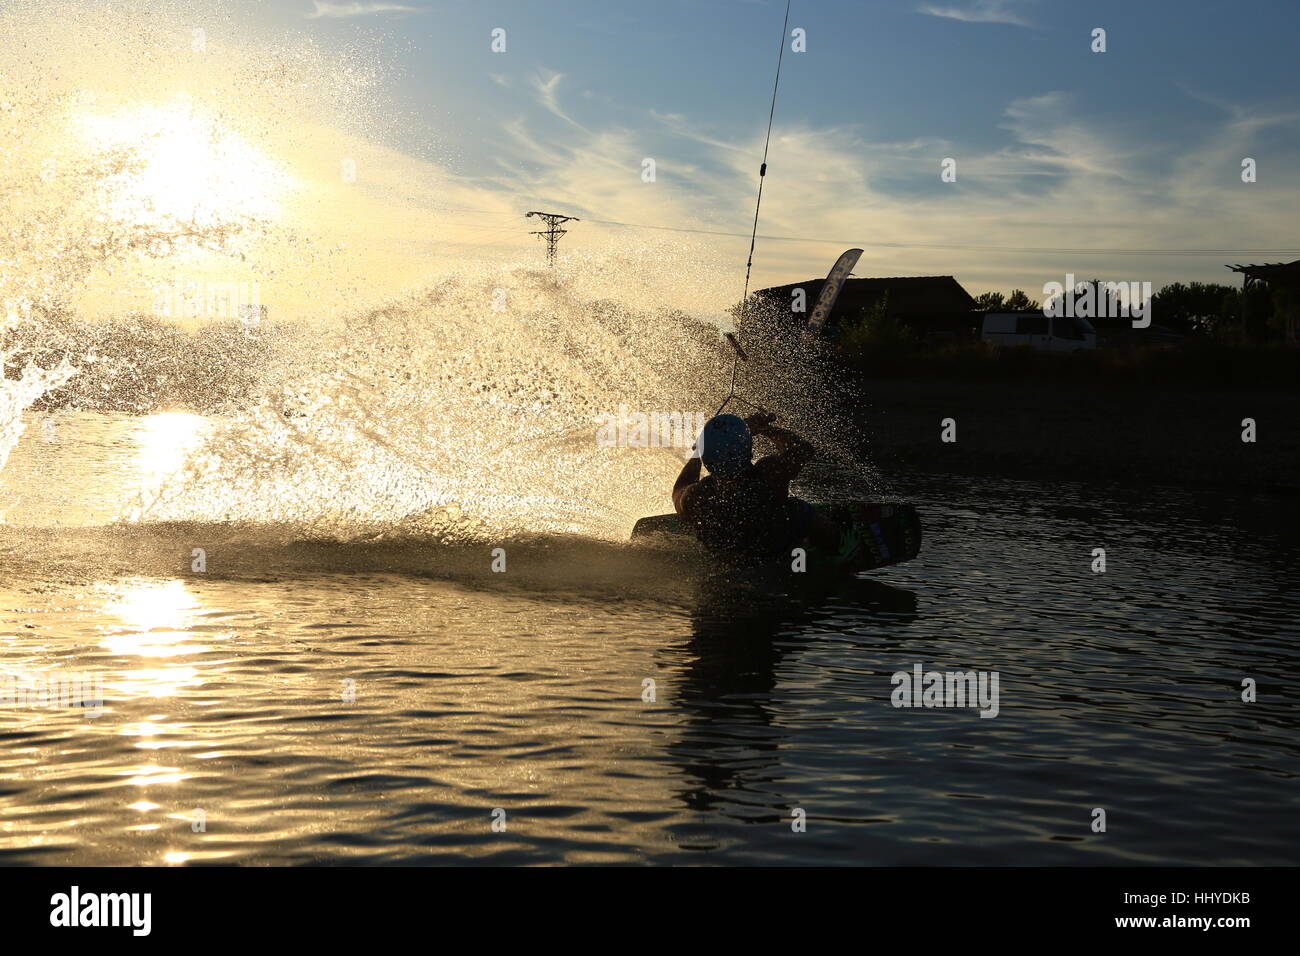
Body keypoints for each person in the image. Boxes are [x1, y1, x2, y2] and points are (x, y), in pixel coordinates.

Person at [672, 412, 842, 566]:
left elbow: (678, 490)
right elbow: (803, 450)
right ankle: (837, 546)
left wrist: (696, 453)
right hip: (779, 555)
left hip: (734, 565)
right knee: (798, 508)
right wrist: (764, 429)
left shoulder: (696, 496)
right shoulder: (770, 473)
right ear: (747, 450)